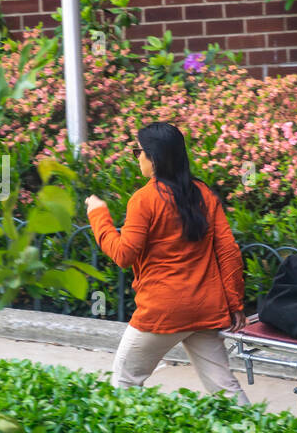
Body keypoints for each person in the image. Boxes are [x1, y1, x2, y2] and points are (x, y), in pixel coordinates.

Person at [86, 122, 251, 404]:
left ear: (154, 157)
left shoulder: (145, 199)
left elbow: (124, 255)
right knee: (225, 390)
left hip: (163, 311)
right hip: (205, 309)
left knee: (124, 382)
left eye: (138, 151)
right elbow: (228, 252)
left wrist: (98, 215)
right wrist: (234, 303)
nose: (136, 157)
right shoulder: (203, 194)